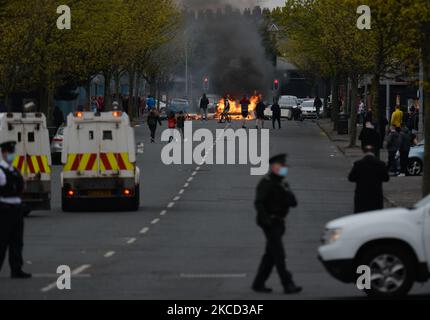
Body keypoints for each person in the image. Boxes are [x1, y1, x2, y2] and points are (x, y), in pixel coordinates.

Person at [252, 154, 302, 294]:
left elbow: (293, 203)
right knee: (279, 254)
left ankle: (258, 282)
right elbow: (258, 203)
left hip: (280, 222)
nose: (284, 169)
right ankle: (288, 283)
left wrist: (288, 192)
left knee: (270, 254)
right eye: (281, 166)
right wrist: (266, 221)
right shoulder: (266, 183)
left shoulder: (283, 183)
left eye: (284, 166)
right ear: (274, 167)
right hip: (270, 223)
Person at [0, 141, 32, 279]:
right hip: (4, 209)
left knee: (17, 242)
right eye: (9, 152)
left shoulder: (14, 170)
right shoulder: (1, 170)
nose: (11, 155)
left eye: (13, 152)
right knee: (2, 242)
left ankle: (16, 269)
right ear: (3, 153)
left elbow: (21, 188)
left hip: (17, 209)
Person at [348, 145, 389, 213]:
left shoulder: (358, 164)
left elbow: (351, 178)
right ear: (374, 152)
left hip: (361, 193)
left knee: (360, 213)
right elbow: (386, 178)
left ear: (363, 152)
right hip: (376, 193)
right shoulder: (381, 164)